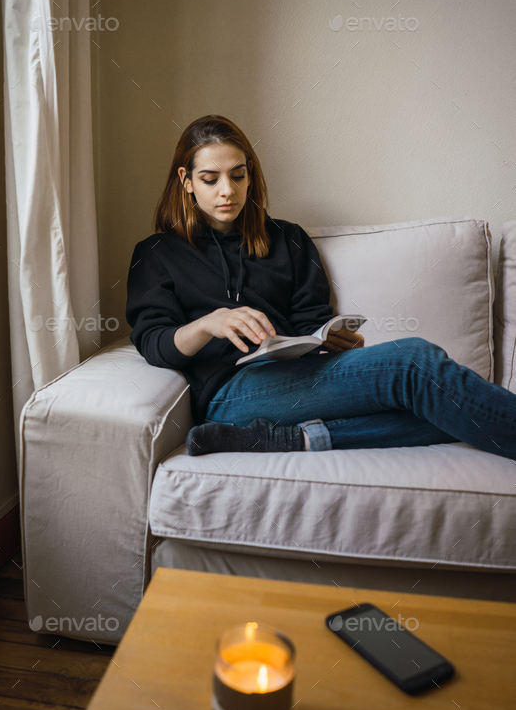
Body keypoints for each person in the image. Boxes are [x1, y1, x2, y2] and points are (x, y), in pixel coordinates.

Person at [126, 115, 516, 458]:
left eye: (238, 175)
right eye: (210, 179)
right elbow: (155, 344)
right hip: (229, 393)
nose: (227, 190)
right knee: (415, 362)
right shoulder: (157, 253)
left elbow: (312, 319)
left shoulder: (288, 239)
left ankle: (296, 440)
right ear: (187, 181)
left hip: (301, 377)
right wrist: (211, 323)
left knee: (448, 403)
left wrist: (329, 339)